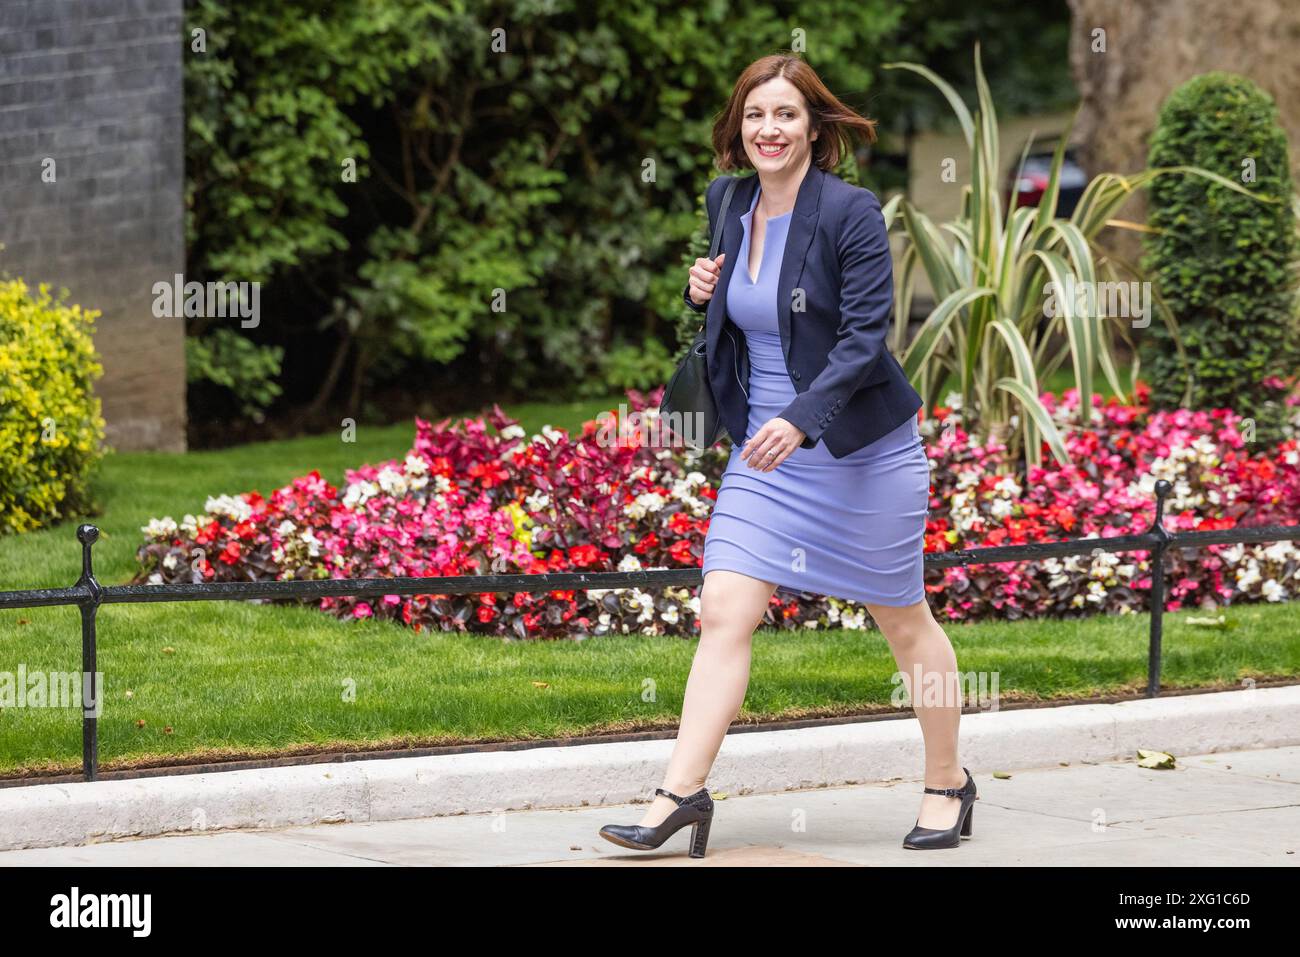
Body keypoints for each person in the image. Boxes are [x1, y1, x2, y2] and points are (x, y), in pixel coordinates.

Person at [598, 53, 975, 858]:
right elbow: (744, 311)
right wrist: (701, 291)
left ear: (815, 126)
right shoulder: (726, 199)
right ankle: (680, 793)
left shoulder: (851, 211)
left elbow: (866, 335)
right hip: (765, 457)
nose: (769, 130)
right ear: (738, 127)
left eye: (787, 115)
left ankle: (948, 780)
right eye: (755, 115)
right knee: (723, 608)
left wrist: (804, 418)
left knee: (904, 621)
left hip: (860, 449)